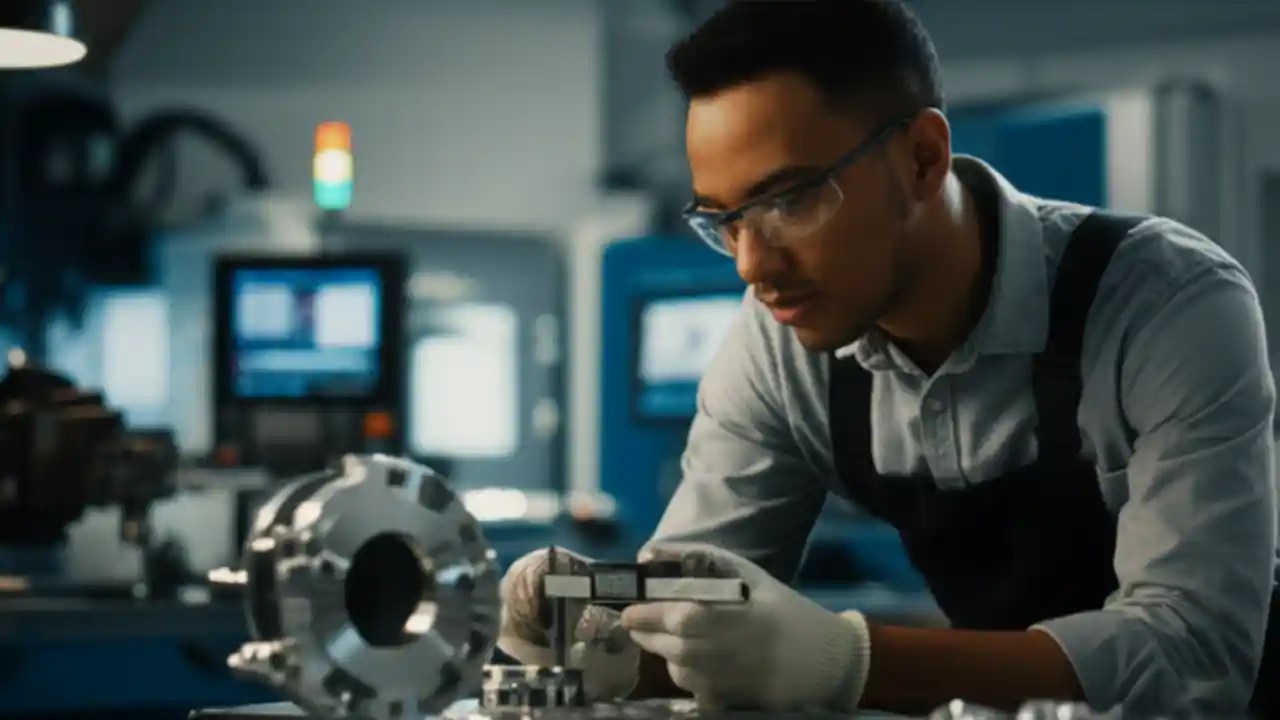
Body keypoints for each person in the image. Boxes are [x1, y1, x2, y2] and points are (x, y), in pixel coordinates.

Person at [499, 0, 1280, 715]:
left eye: (790, 200)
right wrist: (591, 643)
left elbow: (1195, 655)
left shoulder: (1168, 303)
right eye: (725, 220)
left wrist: (848, 661)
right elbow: (690, 613)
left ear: (922, 157)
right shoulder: (779, 339)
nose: (751, 265)